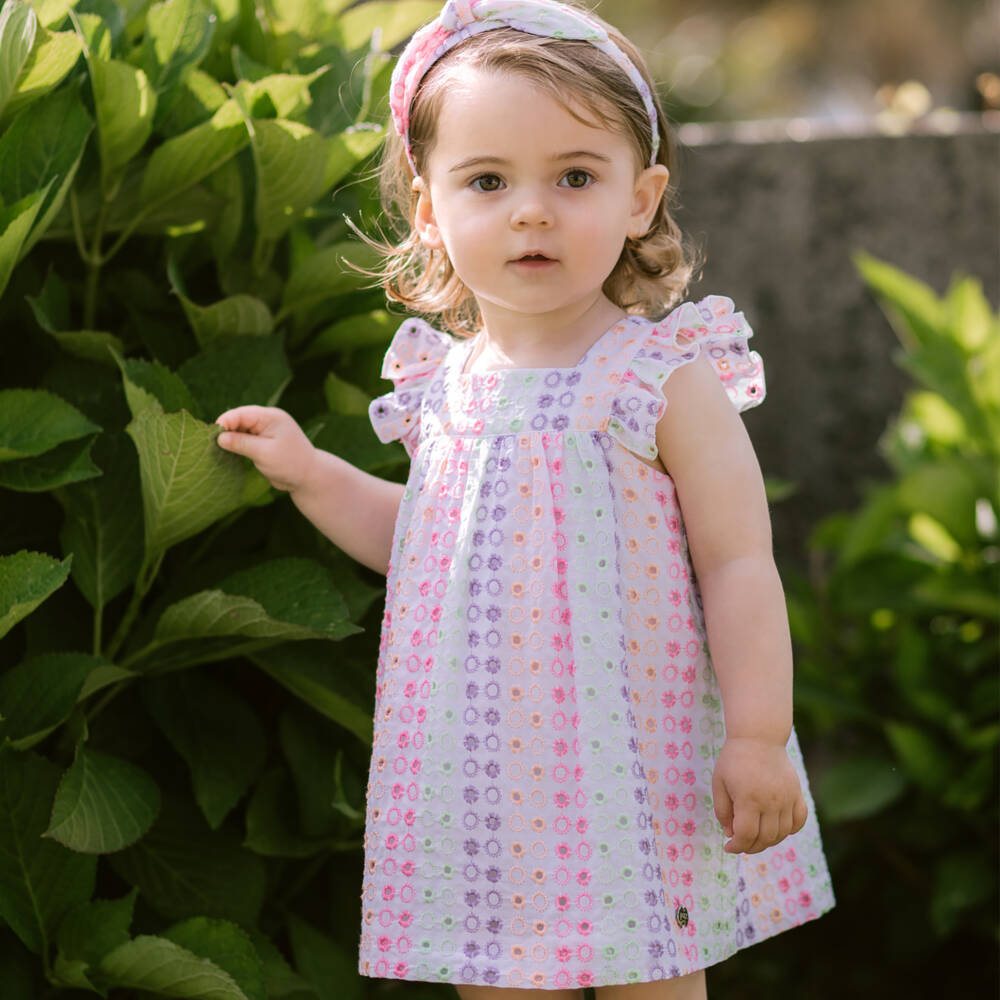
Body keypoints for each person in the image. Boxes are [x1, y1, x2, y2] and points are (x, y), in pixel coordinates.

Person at [216, 1, 835, 996]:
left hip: (634, 755)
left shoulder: (660, 376)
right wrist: (310, 473)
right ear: (429, 209)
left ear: (641, 197)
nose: (531, 210)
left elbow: (736, 560)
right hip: (486, 767)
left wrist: (758, 734)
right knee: (495, 976)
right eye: (488, 180)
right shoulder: (442, 386)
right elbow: (425, 545)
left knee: (655, 969)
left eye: (575, 176)